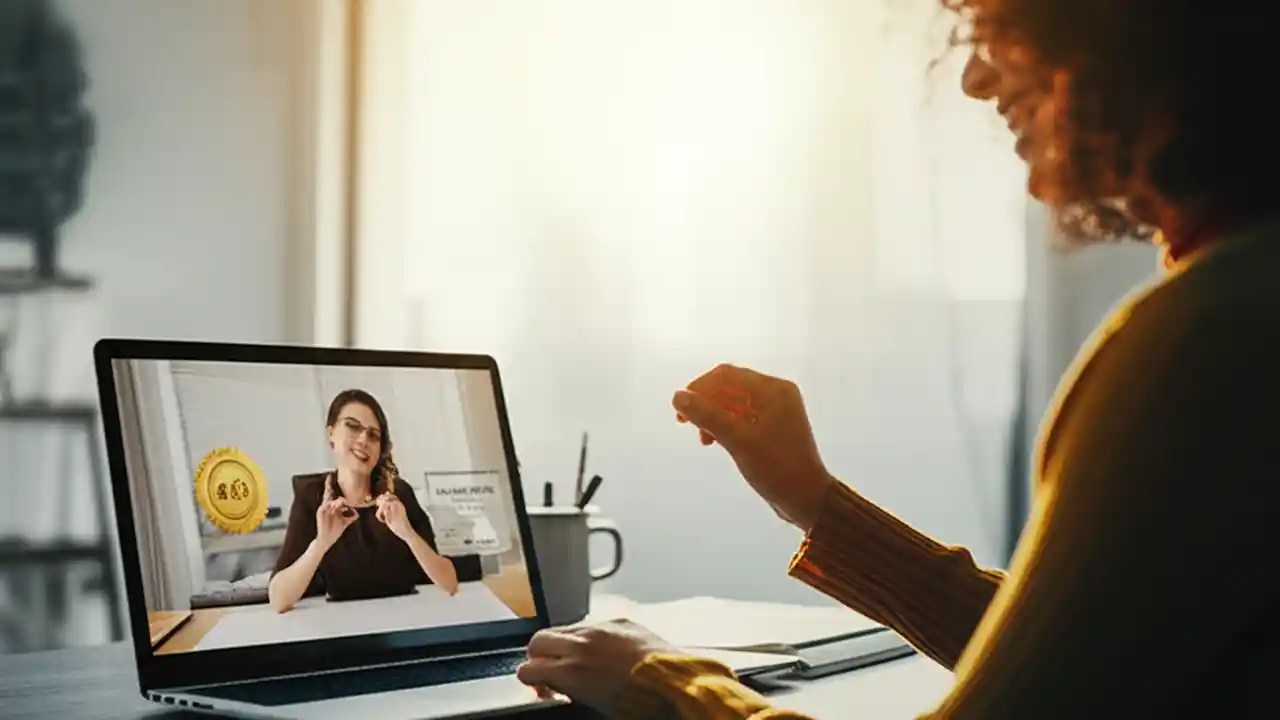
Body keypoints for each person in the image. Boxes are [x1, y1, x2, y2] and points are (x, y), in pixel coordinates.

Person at [516, 1, 1279, 717]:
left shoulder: (1204, 334)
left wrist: (660, 683)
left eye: (1002, 34)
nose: (977, 80)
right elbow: (1091, 662)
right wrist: (815, 502)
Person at [268, 389, 481, 611]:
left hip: (406, 619)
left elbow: (449, 584)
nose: (363, 440)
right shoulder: (312, 496)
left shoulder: (398, 494)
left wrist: (407, 533)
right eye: (352, 426)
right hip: (340, 626)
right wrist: (321, 544)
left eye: (373, 435)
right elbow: (278, 599)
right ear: (331, 435)